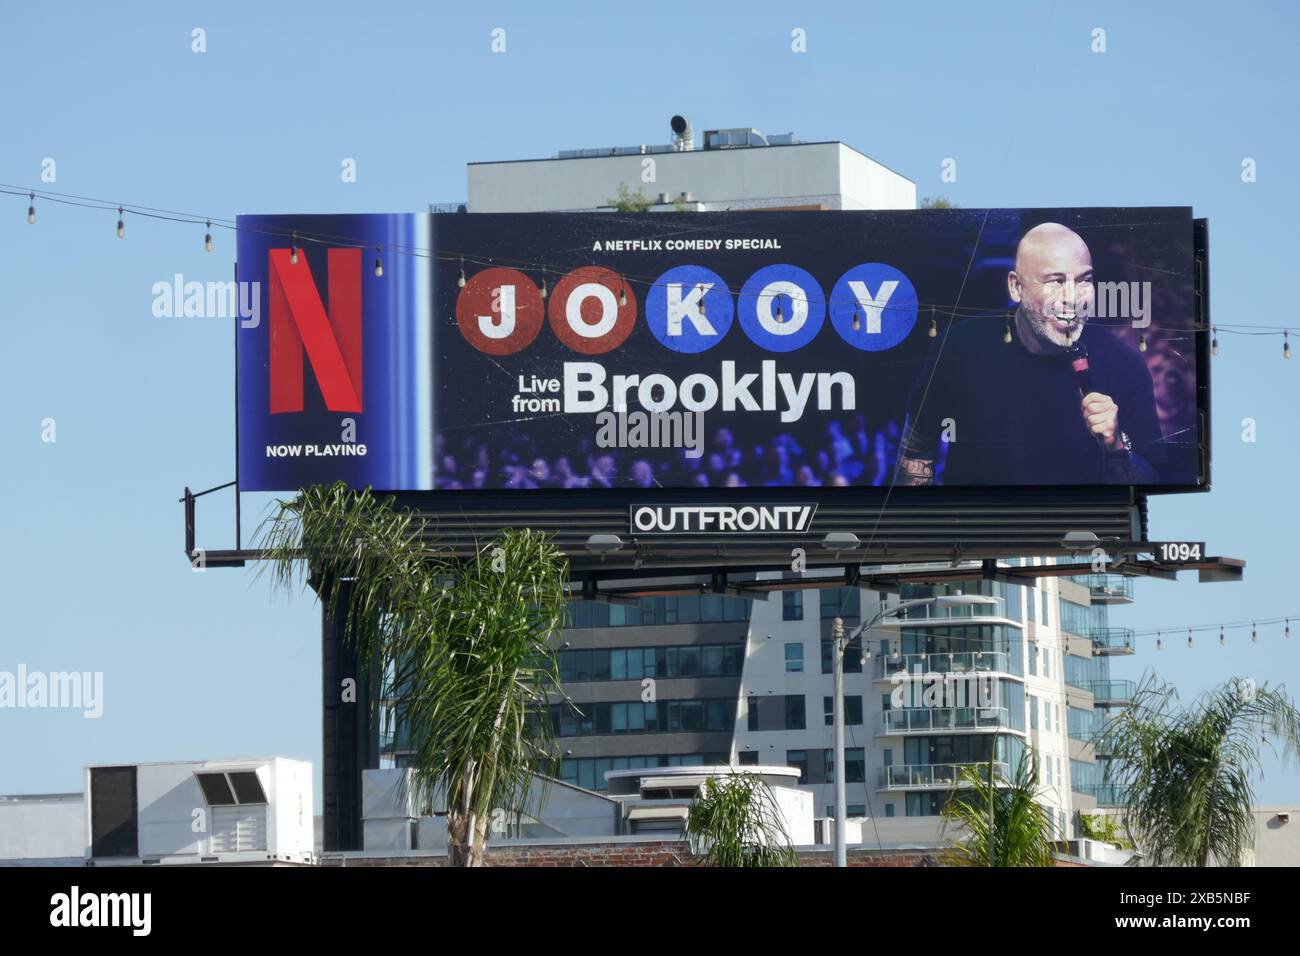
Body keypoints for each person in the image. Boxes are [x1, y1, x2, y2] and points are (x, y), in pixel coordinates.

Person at [897, 222, 1163, 486]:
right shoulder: (957, 347)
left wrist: (1116, 445)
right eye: (1056, 281)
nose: (1073, 298)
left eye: (1084, 280)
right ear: (1016, 287)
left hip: (1077, 528)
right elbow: (917, 447)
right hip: (974, 525)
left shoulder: (1125, 366)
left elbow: (1151, 482)